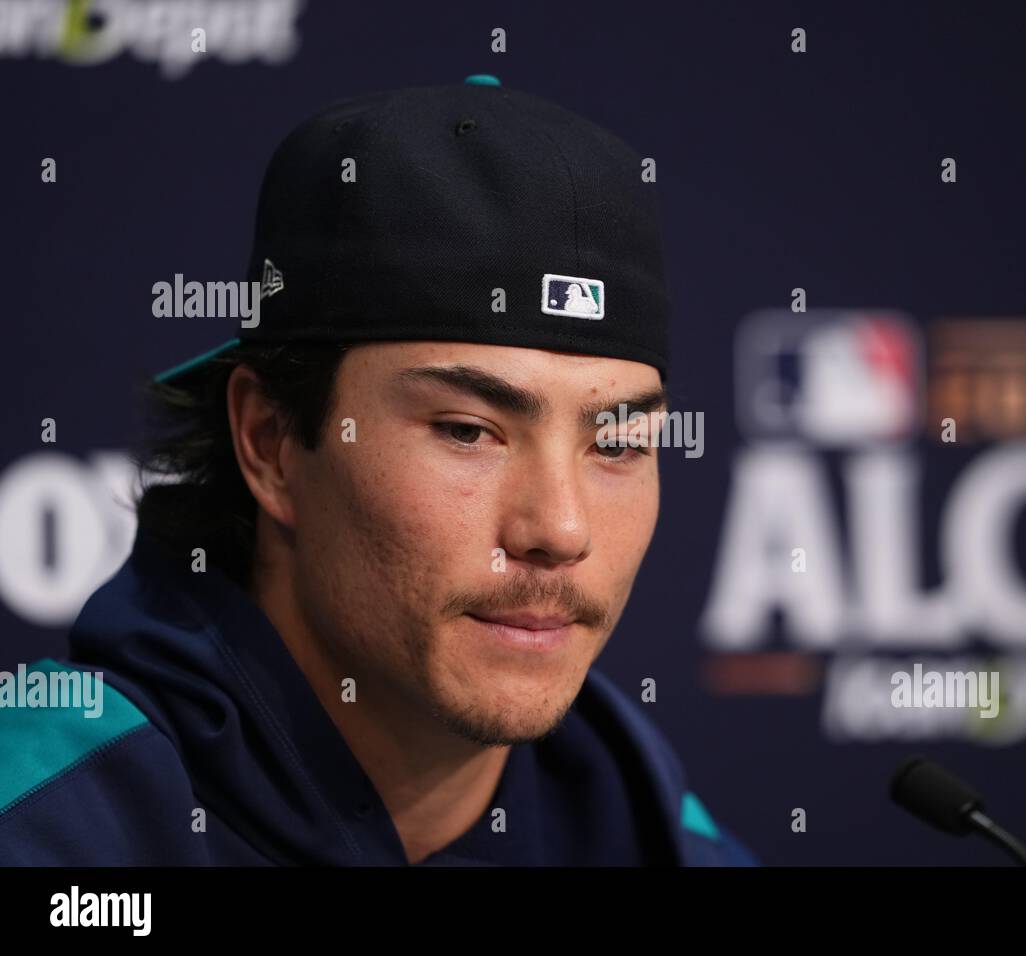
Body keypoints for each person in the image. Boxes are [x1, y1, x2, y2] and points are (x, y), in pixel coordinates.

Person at [0, 77, 759, 866]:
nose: (560, 530)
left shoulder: (653, 833)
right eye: (469, 431)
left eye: (618, 442)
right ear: (271, 442)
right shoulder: (48, 825)